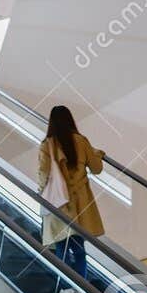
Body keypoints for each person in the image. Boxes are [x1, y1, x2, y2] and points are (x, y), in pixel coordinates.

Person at [37, 106, 105, 281]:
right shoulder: (81, 141)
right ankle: (81, 287)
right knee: (79, 247)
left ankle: (66, 286)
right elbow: (96, 168)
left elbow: (43, 174)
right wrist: (97, 154)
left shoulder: (47, 145)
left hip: (58, 202)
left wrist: (40, 195)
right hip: (80, 203)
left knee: (61, 246)